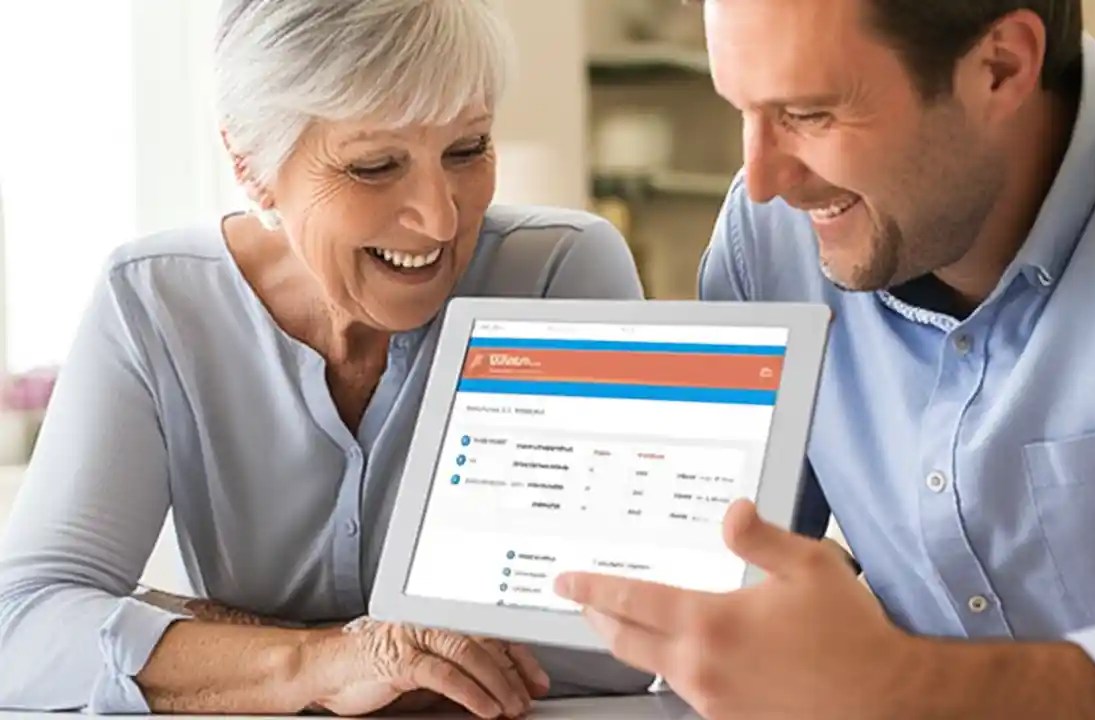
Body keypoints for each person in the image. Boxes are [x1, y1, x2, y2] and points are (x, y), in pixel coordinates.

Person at [557, 0, 1095, 718]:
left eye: (809, 114)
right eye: (742, 110)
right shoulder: (769, 236)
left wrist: (906, 686)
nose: (766, 179)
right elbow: (708, 602)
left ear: (1001, 67)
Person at [0, 0, 654, 716]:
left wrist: (227, 645)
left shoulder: (558, 274)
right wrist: (324, 662)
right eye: (375, 166)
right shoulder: (154, 301)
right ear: (250, 166)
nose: (440, 219)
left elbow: (605, 648)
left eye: (467, 150)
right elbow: (21, 631)